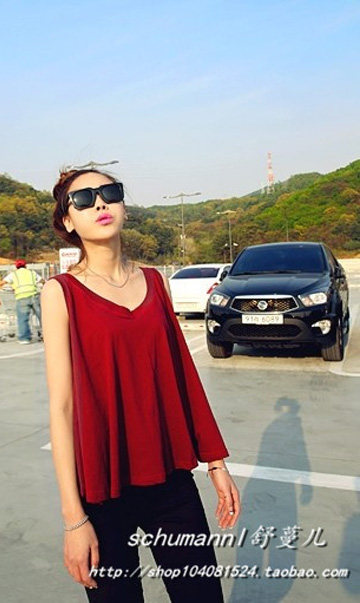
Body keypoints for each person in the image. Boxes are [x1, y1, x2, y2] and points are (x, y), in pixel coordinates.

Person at [41, 168, 241, 602]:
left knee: (202, 595)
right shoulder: (61, 292)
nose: (99, 203)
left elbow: (182, 375)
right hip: (102, 486)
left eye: (109, 193)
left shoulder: (154, 281)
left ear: (123, 207)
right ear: (68, 221)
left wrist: (215, 461)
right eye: (83, 199)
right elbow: (62, 408)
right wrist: (74, 519)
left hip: (170, 477)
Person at [0, 259, 43, 344]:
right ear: (25, 266)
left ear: (16, 266)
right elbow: (42, 280)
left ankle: (24, 338)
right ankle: (47, 335)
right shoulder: (32, 273)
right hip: (34, 296)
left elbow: (3, 282)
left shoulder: (13, 274)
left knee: (23, 319)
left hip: (22, 297)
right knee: (41, 317)